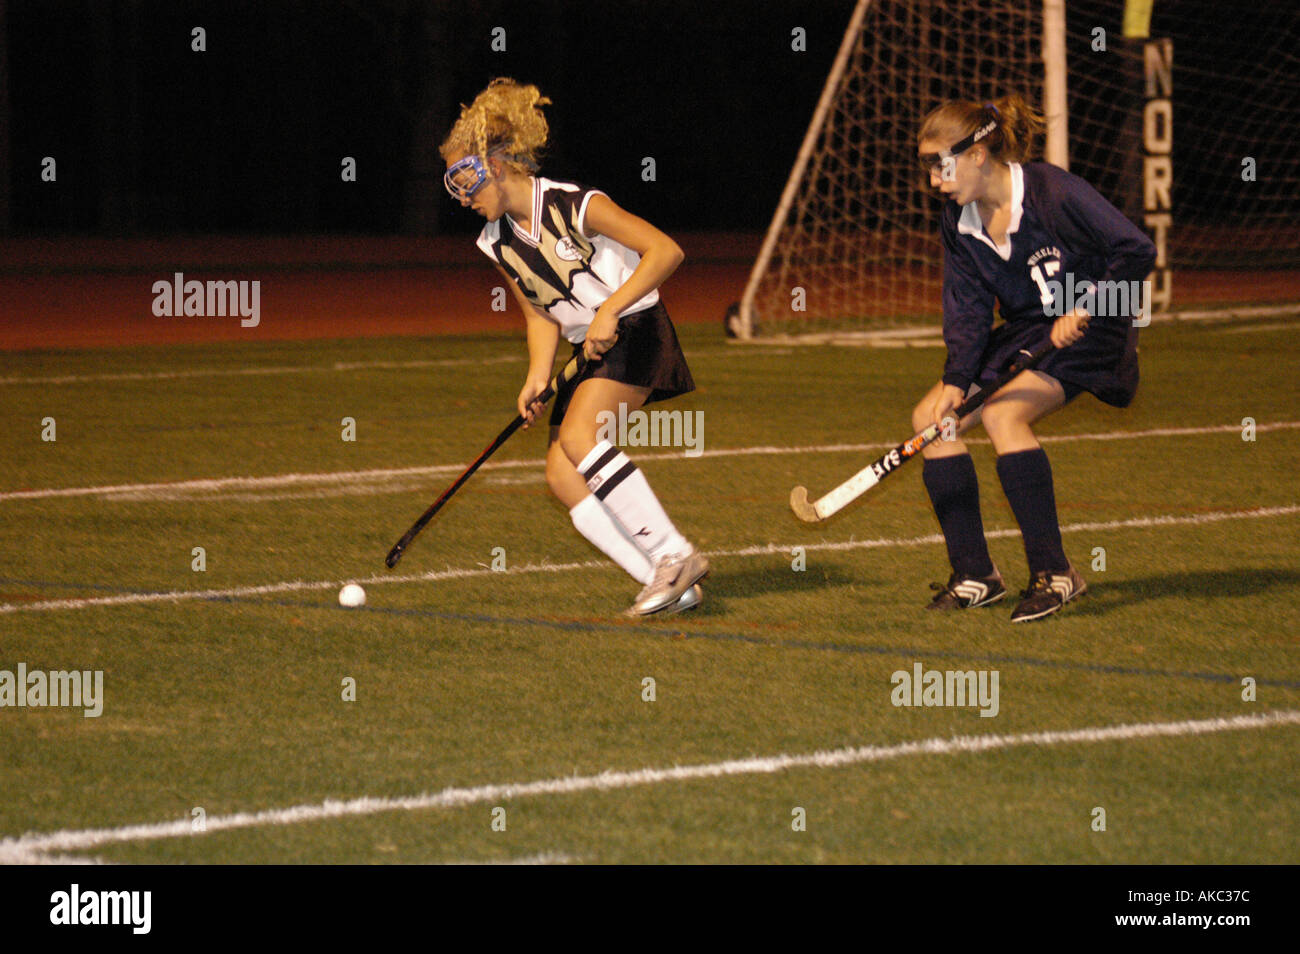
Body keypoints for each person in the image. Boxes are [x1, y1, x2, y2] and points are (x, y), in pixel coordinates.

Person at [438, 78, 708, 617]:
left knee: (581, 437)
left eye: (463, 178)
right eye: (452, 186)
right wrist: (537, 374)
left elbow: (665, 250)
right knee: (562, 475)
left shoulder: (573, 204)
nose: (461, 196)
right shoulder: (494, 241)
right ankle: (671, 586)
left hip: (635, 325)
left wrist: (610, 308)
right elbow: (538, 309)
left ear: (497, 162)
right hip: (589, 347)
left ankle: (673, 554)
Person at [913, 94, 1156, 622]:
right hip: (1029, 328)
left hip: (1095, 329)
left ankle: (1057, 572)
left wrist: (1089, 302)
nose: (935, 181)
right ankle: (976, 573)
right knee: (932, 419)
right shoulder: (958, 221)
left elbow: (1137, 251)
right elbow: (969, 307)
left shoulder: (1051, 190)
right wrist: (957, 379)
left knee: (1004, 413)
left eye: (942, 166)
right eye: (928, 169)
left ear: (977, 154)